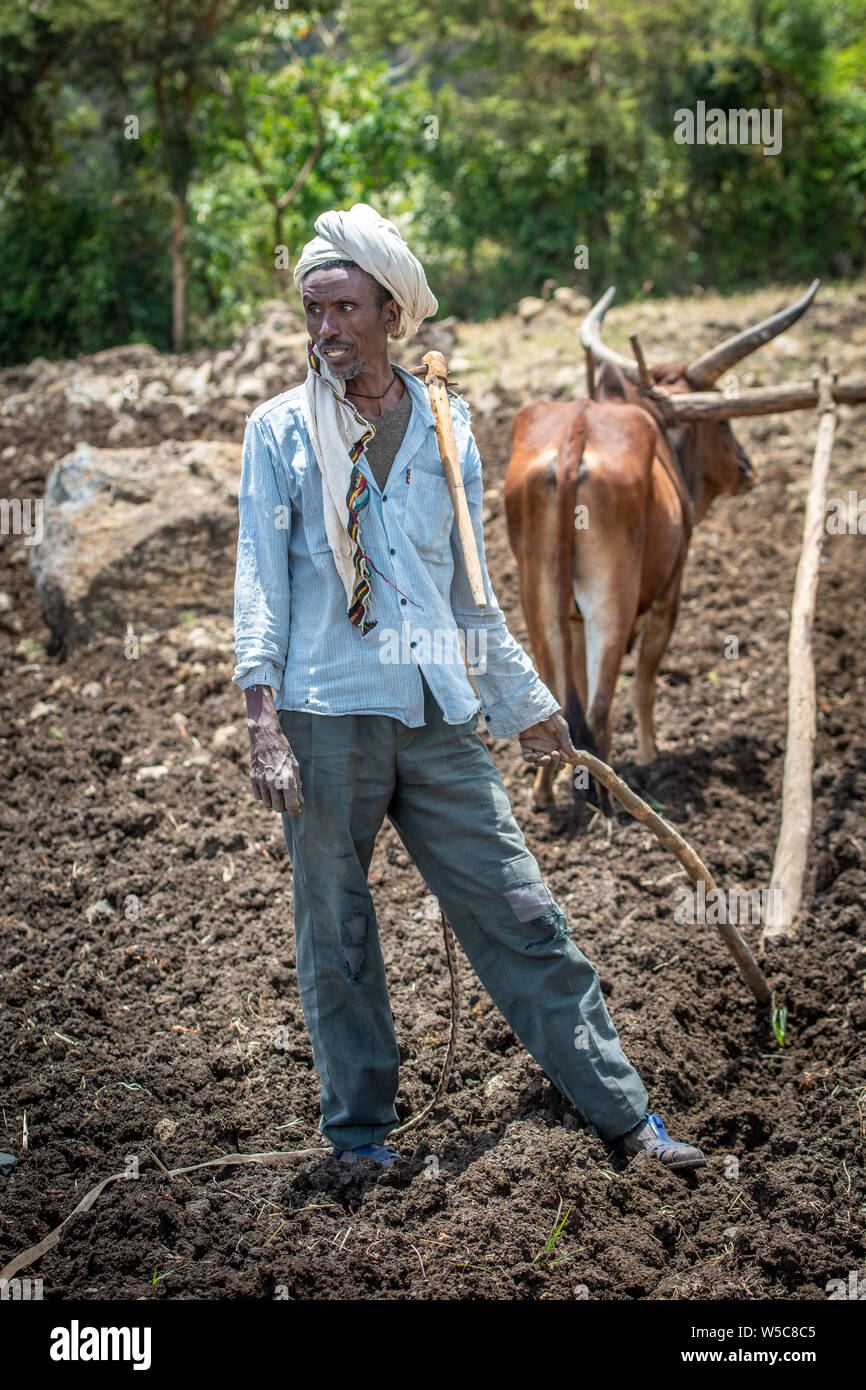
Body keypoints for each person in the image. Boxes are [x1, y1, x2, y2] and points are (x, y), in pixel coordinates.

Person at [232, 202, 705, 1174]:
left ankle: (623, 1116)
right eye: (311, 310)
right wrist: (260, 717)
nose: (324, 330)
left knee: (522, 910)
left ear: (391, 314)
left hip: (439, 715)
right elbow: (258, 582)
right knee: (339, 932)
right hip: (326, 716)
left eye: (343, 310)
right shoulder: (277, 433)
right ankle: (358, 1136)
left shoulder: (446, 428)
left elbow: (471, 596)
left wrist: (528, 709)